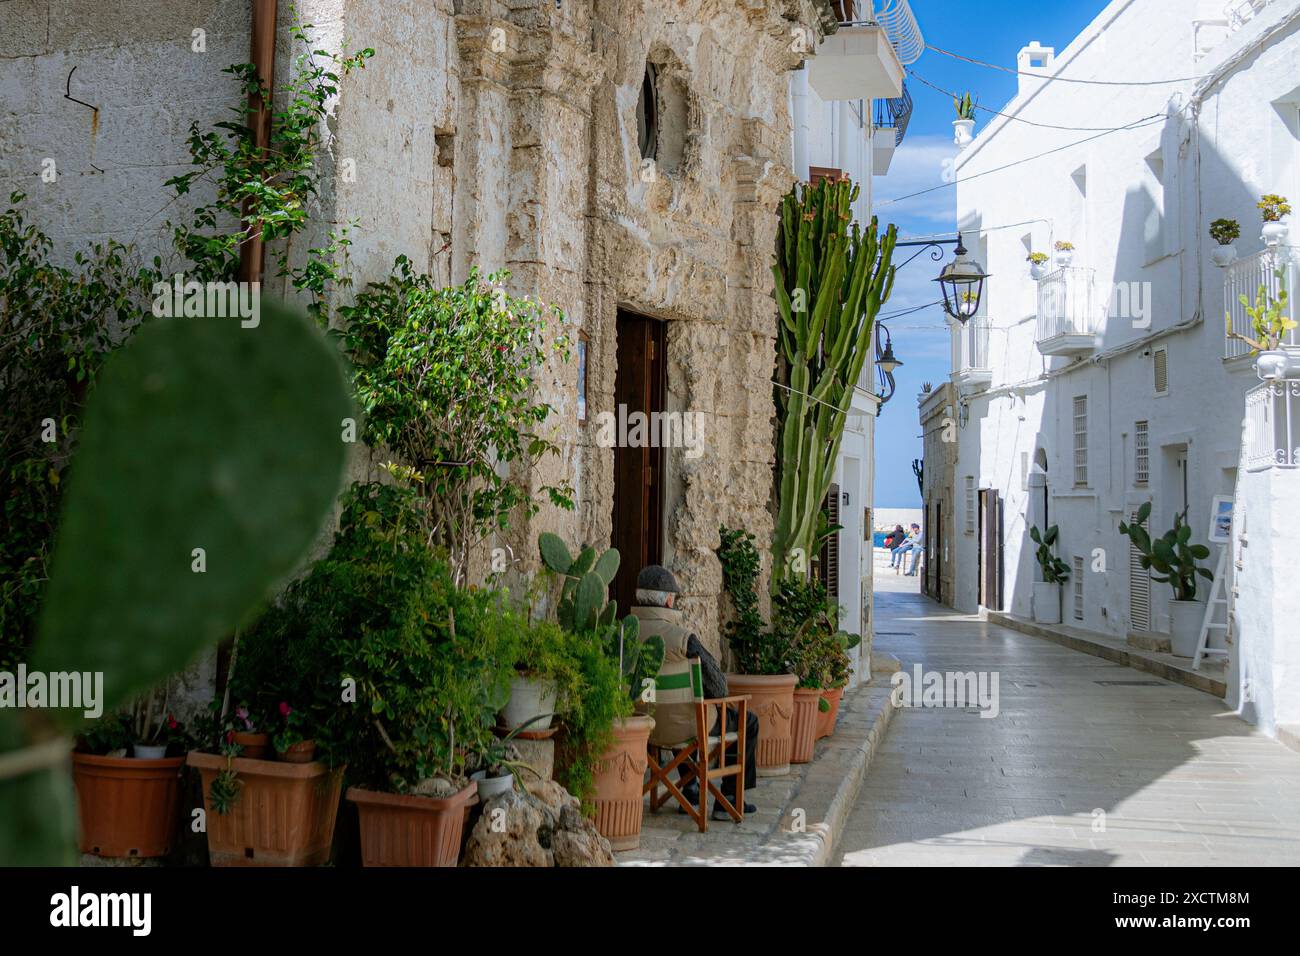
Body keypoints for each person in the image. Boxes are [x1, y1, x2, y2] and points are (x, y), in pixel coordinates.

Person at [630, 565, 758, 821]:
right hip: (686, 726)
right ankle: (729, 799)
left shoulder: (623, 632)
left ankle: (689, 789)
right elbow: (719, 687)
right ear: (668, 600)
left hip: (641, 724)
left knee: (675, 708)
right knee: (744, 720)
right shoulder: (683, 638)